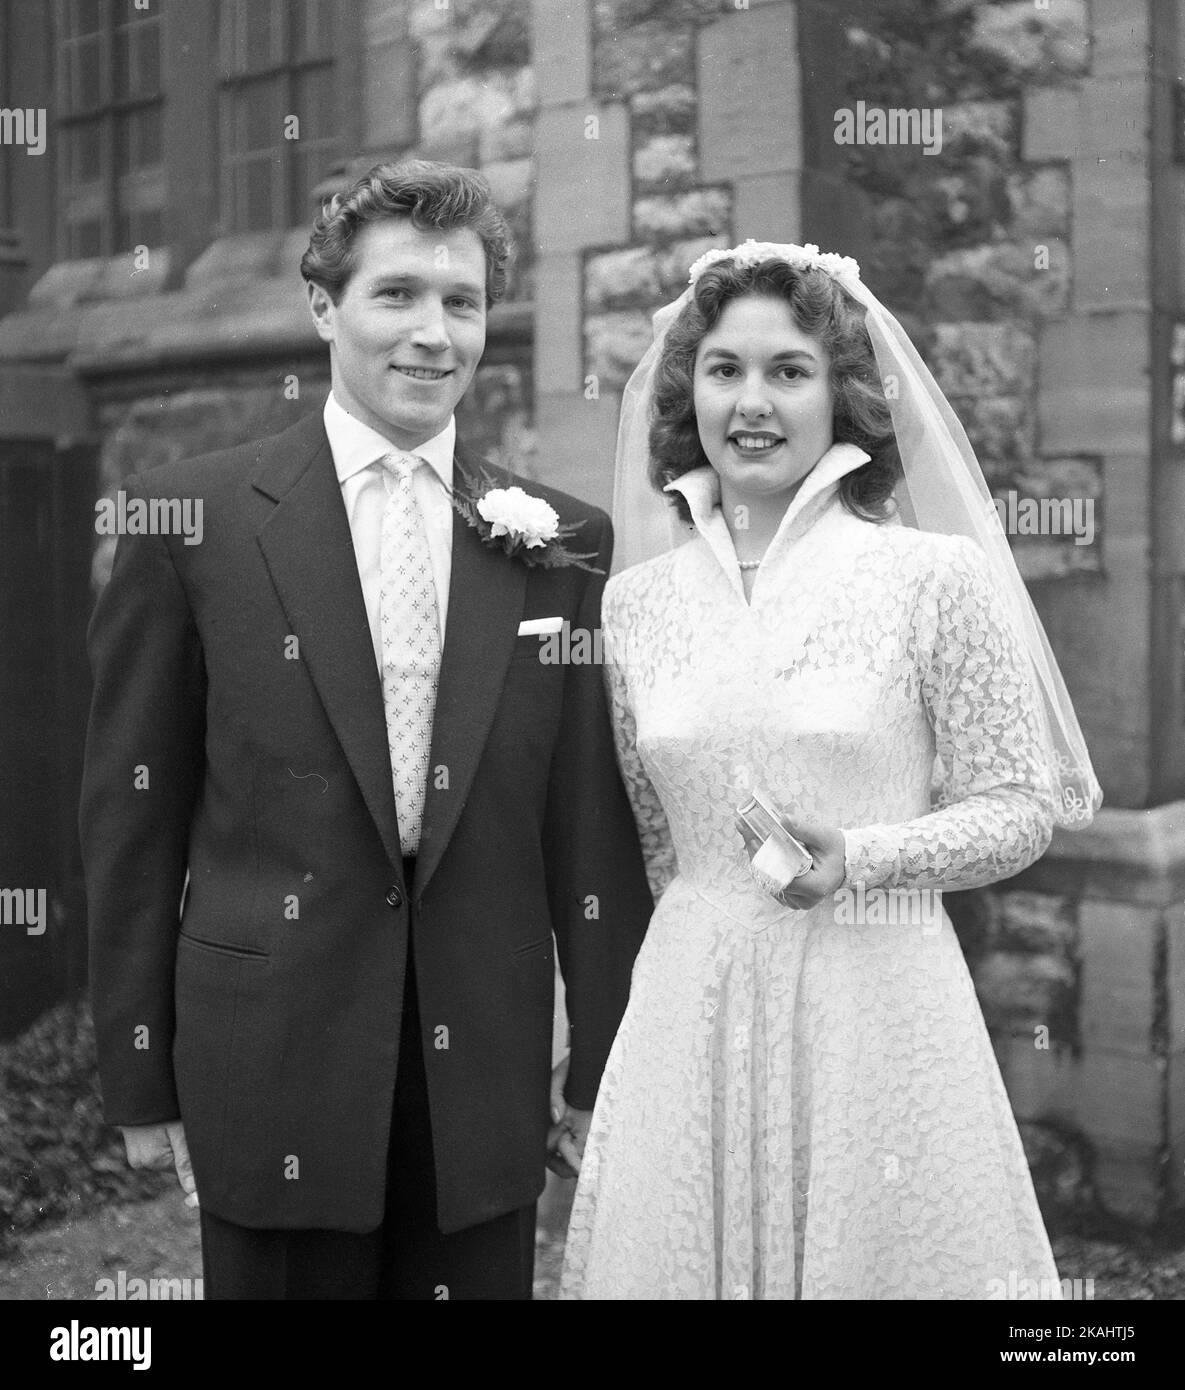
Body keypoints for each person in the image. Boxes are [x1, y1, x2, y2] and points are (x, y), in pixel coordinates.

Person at [79, 160, 652, 1300]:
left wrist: (600, 1067)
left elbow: (591, 829)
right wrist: (141, 1079)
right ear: (322, 306)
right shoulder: (189, 526)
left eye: (462, 302)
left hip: (484, 1075)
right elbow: (132, 828)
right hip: (269, 1058)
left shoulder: (563, 544)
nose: (434, 333)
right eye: (398, 295)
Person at [559, 240, 1102, 1300]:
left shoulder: (930, 577)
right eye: (724, 369)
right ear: (688, 391)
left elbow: (1022, 805)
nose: (752, 402)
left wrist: (863, 856)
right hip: (692, 1003)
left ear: (843, 392)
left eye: (789, 371)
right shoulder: (633, 605)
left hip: (876, 993)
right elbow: (657, 839)